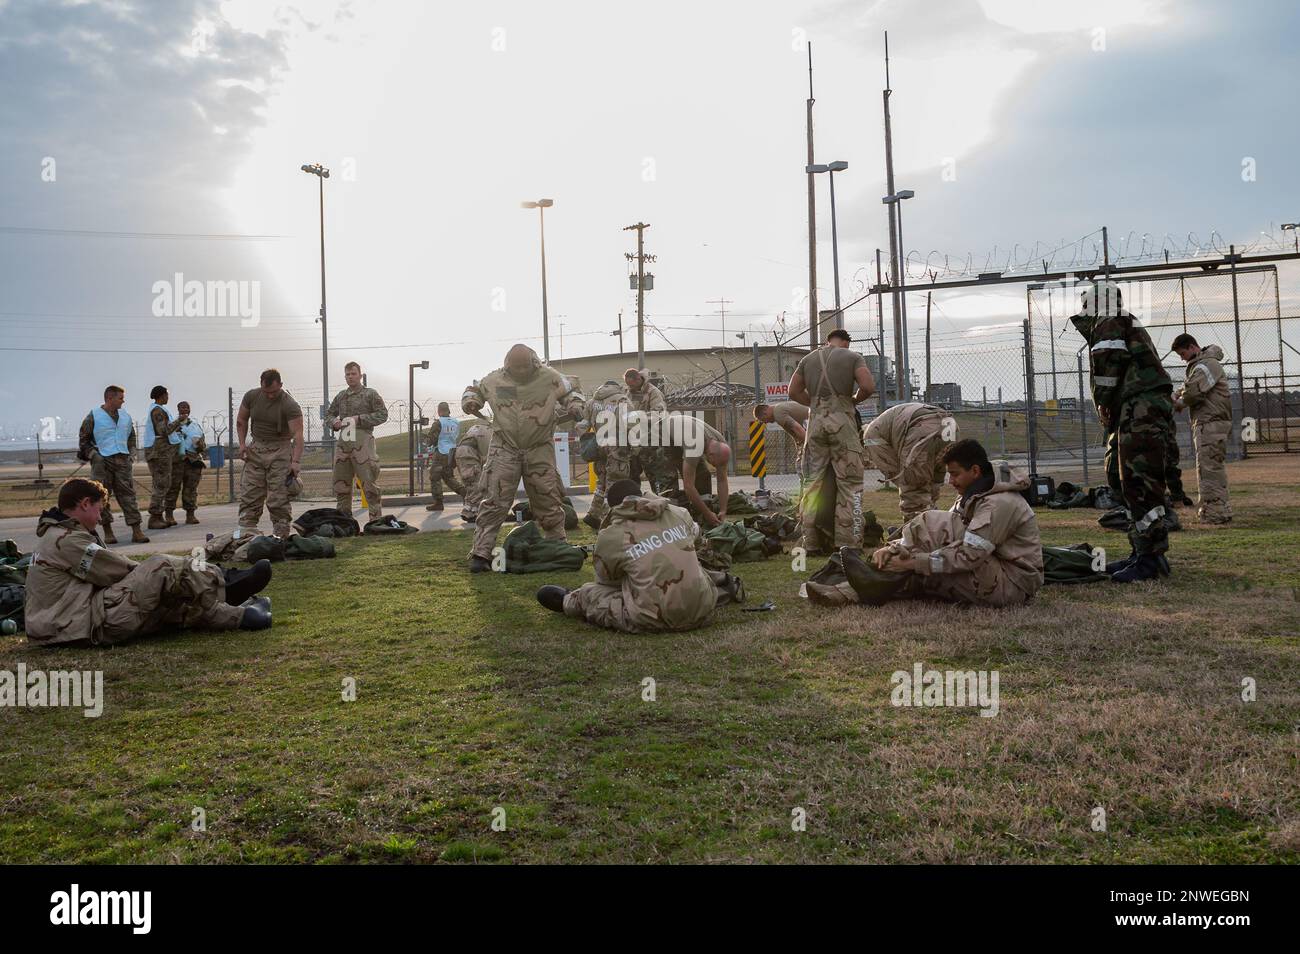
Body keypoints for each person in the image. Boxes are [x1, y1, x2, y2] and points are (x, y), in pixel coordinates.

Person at [23, 477, 272, 646]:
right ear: (85, 503)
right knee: (162, 566)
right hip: (76, 624)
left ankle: (241, 609)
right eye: (99, 509)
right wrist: (168, 571)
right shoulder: (65, 540)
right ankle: (228, 589)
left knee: (165, 604)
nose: (100, 517)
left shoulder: (60, 535)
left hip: (69, 624)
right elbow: (116, 570)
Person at [807, 439, 1043, 608]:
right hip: (992, 568)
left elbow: (968, 555)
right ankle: (849, 588)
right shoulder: (977, 494)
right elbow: (943, 533)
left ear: (975, 470)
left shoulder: (999, 504)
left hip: (1012, 584)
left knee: (925, 567)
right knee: (926, 546)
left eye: (955, 474)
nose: (951, 481)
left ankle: (849, 590)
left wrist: (913, 562)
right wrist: (895, 547)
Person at [536, 479, 744, 632]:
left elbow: (607, 581)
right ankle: (724, 585)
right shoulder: (679, 514)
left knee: (591, 593)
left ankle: (568, 601)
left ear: (614, 507)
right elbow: (696, 540)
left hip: (652, 618)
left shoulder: (611, 536)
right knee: (688, 565)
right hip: (703, 608)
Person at [1069, 281, 1175, 581]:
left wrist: (1103, 403)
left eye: (1085, 302)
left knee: (1138, 480)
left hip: (1139, 407)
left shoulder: (1109, 319)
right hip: (1132, 407)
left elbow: (1107, 365)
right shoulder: (1118, 319)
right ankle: (1142, 552)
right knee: (1123, 479)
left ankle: (1151, 559)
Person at [462, 344, 586, 572]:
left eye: (524, 366)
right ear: (507, 365)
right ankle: (481, 553)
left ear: (534, 364)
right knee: (494, 501)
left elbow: (572, 391)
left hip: (538, 448)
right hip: (504, 447)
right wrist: (471, 402)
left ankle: (556, 546)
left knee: (547, 499)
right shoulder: (495, 380)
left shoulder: (550, 377)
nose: (519, 371)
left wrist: (575, 405)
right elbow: (474, 390)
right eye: (515, 367)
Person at [789, 328, 875, 554]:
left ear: (828, 341)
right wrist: (853, 400)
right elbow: (867, 387)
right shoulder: (852, 357)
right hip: (842, 421)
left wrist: (815, 404)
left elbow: (793, 391)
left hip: (815, 422)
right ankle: (850, 543)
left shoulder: (808, 360)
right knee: (851, 486)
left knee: (812, 484)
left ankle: (812, 542)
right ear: (846, 342)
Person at [1172, 333, 1233, 524]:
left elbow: (1192, 392)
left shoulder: (1205, 365)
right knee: (1213, 465)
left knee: (1208, 468)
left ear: (1192, 347)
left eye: (1182, 353)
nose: (1182, 358)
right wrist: (1177, 395)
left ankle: (1214, 513)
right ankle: (1221, 508)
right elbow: (1187, 387)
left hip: (1210, 423)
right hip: (1211, 422)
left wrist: (1179, 403)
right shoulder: (1202, 366)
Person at [236, 368, 304, 538]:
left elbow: (297, 435)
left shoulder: (290, 405)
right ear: (261, 385)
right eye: (267, 392)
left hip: (280, 449)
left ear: (280, 385)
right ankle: (245, 535)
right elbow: (241, 420)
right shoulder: (251, 396)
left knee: (278, 497)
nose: (271, 395)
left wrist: (295, 462)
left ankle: (281, 536)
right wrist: (242, 444)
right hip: (256, 448)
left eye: (274, 391)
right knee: (250, 494)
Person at [76, 385, 149, 544]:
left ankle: (136, 531)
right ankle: (108, 532)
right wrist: (94, 456)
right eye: (120, 398)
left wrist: (131, 454)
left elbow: (131, 438)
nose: (123, 401)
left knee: (128, 496)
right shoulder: (94, 416)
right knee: (102, 498)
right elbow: (83, 440)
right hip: (102, 463)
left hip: (123, 462)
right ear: (110, 398)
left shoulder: (125, 416)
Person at [861, 401, 955, 522]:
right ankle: (932, 519)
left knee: (912, 488)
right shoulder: (882, 424)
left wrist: (910, 486)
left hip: (921, 428)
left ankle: (917, 532)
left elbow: (892, 468)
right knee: (935, 477)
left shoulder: (869, 437)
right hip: (949, 424)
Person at [326, 361, 388, 521]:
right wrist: (334, 422)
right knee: (341, 484)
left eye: (353, 374)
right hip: (345, 440)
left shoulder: (370, 394)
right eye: (347, 374)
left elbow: (382, 414)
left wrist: (359, 419)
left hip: (363, 439)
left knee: (369, 483)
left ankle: (376, 522)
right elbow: (329, 414)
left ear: (360, 375)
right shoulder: (341, 396)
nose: (350, 377)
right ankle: (344, 523)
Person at [583, 380, 633, 529]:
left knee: (602, 482)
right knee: (615, 483)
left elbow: (583, 424)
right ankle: (608, 520)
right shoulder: (621, 400)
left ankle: (593, 514)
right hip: (617, 446)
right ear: (617, 387)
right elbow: (631, 422)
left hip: (600, 445)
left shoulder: (592, 401)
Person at [671, 415, 732, 527]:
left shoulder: (721, 443)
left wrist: (723, 510)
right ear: (710, 455)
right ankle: (673, 526)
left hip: (679, 437)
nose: (716, 467)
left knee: (703, 476)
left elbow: (722, 480)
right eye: (715, 464)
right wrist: (708, 513)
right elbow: (688, 486)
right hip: (656, 436)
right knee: (668, 483)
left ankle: (702, 520)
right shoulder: (695, 446)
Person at [142, 385, 187, 529]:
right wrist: (178, 421)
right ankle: (155, 517)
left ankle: (158, 516)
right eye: (167, 395)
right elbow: (163, 430)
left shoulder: (159, 409)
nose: (168, 397)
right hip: (159, 452)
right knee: (162, 484)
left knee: (162, 483)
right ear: (161, 395)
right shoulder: (157, 411)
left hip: (162, 452)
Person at [623, 368, 673, 493]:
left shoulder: (653, 392)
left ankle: (661, 498)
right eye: (628, 385)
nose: (630, 388)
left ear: (638, 379)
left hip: (651, 440)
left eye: (631, 384)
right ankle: (633, 500)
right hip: (633, 440)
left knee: (654, 473)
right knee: (631, 472)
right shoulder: (628, 393)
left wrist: (639, 417)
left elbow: (659, 412)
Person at [164, 401, 207, 525]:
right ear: (178, 409)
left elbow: (202, 444)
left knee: (191, 489)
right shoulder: (173, 425)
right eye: (182, 407)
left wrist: (200, 445)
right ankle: (169, 514)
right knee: (173, 488)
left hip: (193, 460)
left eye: (187, 407)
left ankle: (190, 514)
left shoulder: (195, 425)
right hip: (178, 460)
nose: (185, 409)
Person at [424, 402, 465, 512]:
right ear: (448, 410)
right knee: (448, 477)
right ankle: (464, 493)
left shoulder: (438, 423)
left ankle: (438, 502)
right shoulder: (456, 422)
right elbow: (455, 436)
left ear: (439, 411)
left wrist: (426, 441)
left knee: (434, 477)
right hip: (451, 452)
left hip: (440, 452)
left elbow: (431, 439)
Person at [452, 419, 492, 523]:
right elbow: (487, 455)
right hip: (469, 454)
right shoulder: (489, 431)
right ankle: (474, 513)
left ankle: (468, 511)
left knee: (470, 484)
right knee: (476, 484)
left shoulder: (474, 429)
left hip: (460, 453)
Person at [753, 400, 809, 471]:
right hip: (815, 430)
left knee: (803, 469)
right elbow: (796, 436)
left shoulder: (778, 414)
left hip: (816, 433)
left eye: (763, 420)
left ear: (765, 413)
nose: (766, 422)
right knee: (801, 467)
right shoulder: (779, 409)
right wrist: (800, 451)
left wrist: (809, 448)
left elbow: (798, 429)